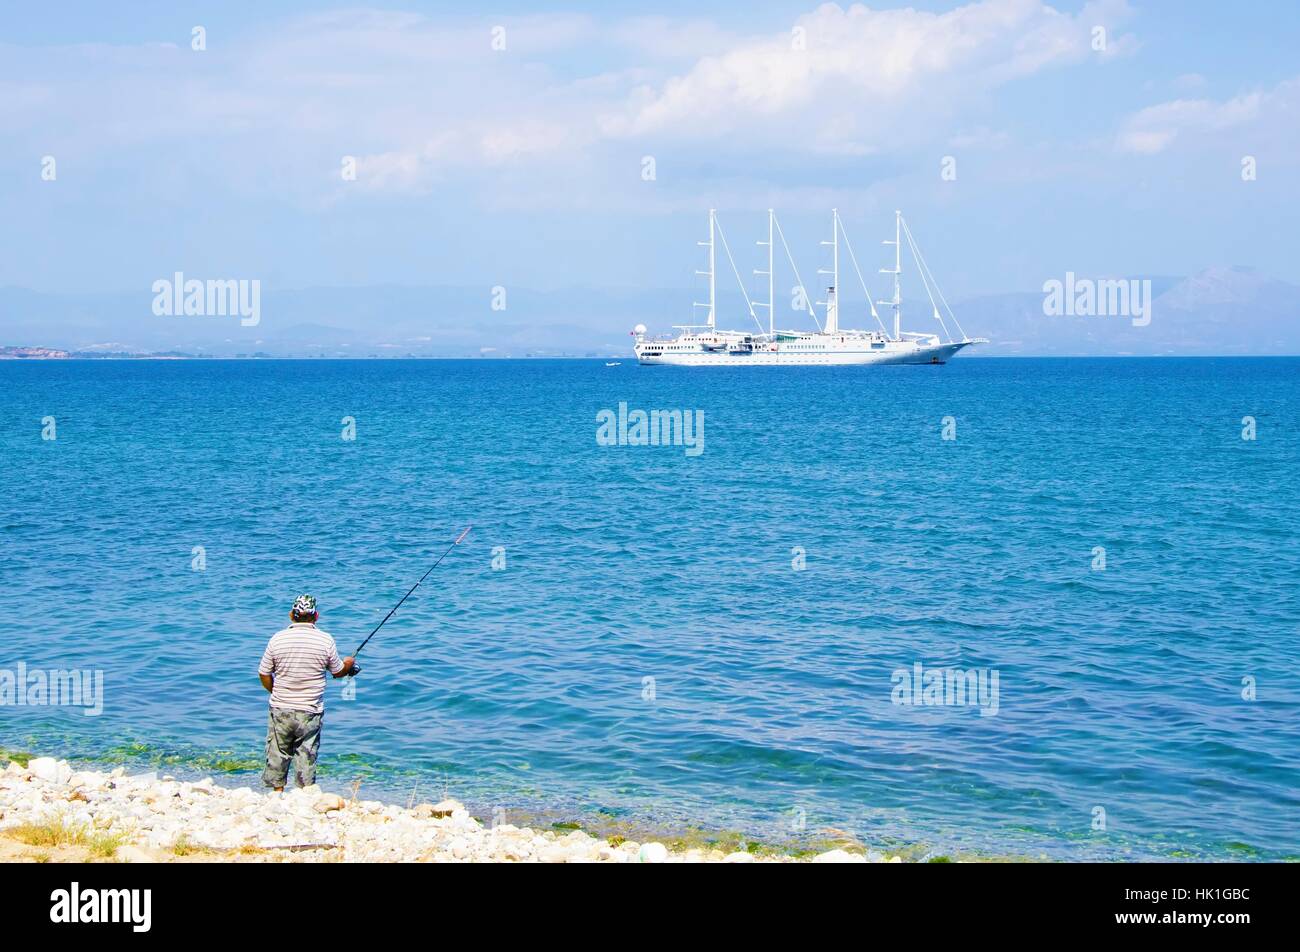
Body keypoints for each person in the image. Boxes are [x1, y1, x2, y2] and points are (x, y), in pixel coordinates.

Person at [257, 594, 357, 791]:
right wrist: (349, 664)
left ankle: (277, 793)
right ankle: (304, 793)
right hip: (310, 708)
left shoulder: (277, 639)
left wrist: (274, 690)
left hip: (280, 706)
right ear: (316, 616)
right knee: (307, 752)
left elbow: (264, 672)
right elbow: (338, 672)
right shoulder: (325, 640)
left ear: (291, 615)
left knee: (278, 750)